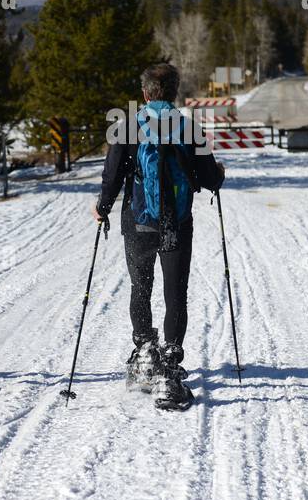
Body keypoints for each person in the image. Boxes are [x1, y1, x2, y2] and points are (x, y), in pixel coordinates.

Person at [94, 63, 225, 411]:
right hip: (176, 223)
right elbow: (210, 178)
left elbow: (112, 175)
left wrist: (103, 207)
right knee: (174, 291)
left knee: (141, 286)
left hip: (137, 222)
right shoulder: (188, 127)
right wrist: (219, 174)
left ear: (145, 93)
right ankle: (170, 367)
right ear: (174, 92)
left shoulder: (127, 126)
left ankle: (145, 352)